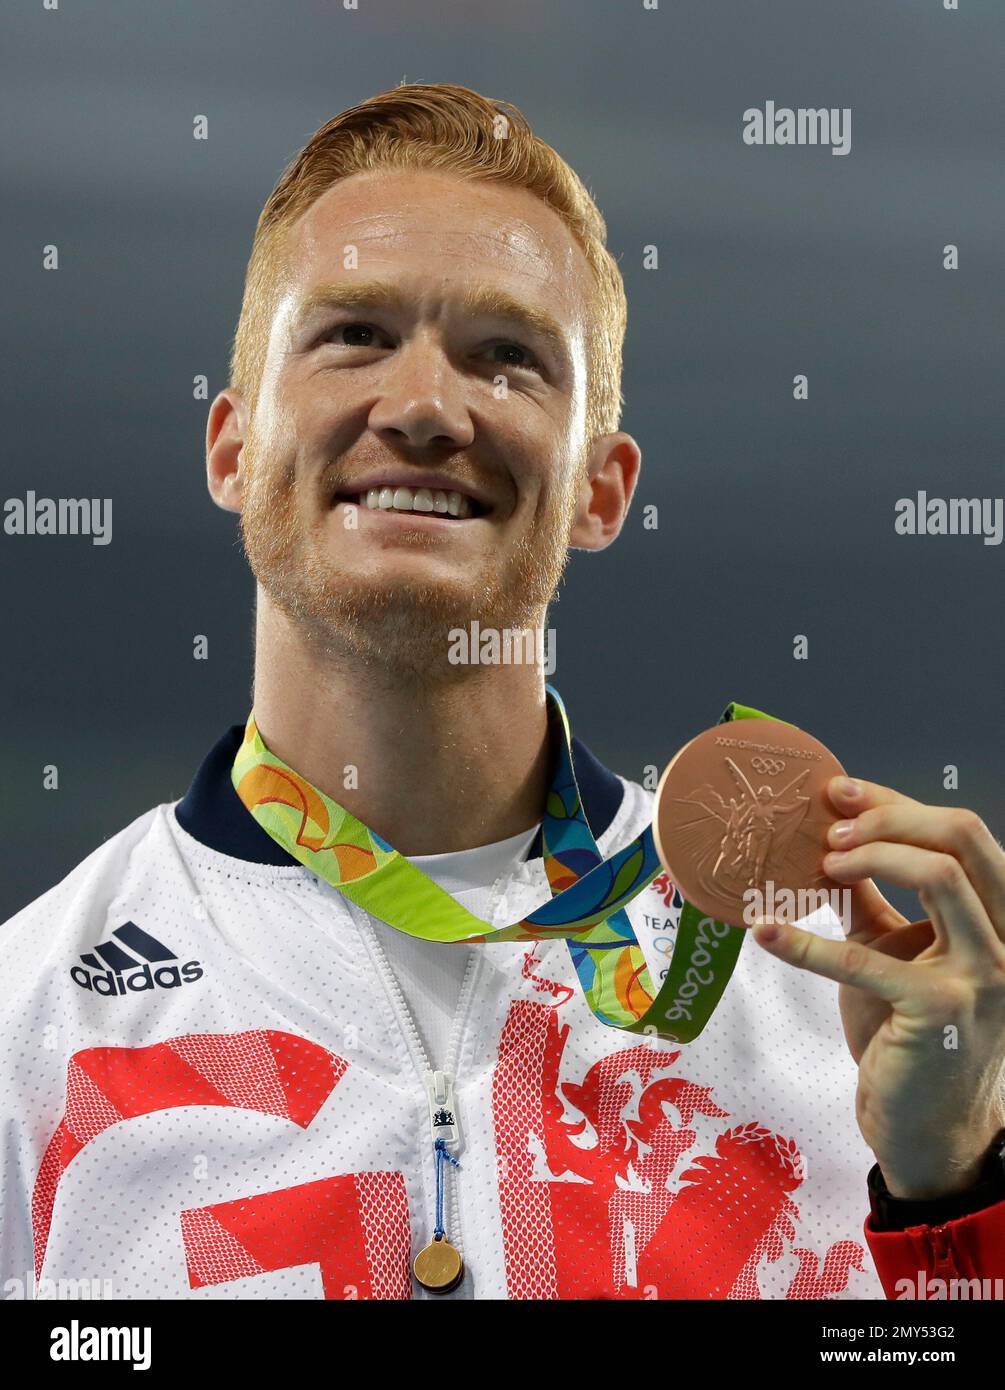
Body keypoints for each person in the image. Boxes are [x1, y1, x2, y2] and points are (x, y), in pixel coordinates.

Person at [3, 82, 1004, 1302]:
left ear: (601, 488)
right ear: (232, 447)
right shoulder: (32, 1020)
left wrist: (952, 1193)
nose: (425, 406)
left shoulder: (833, 998)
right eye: (354, 335)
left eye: (508, 358)